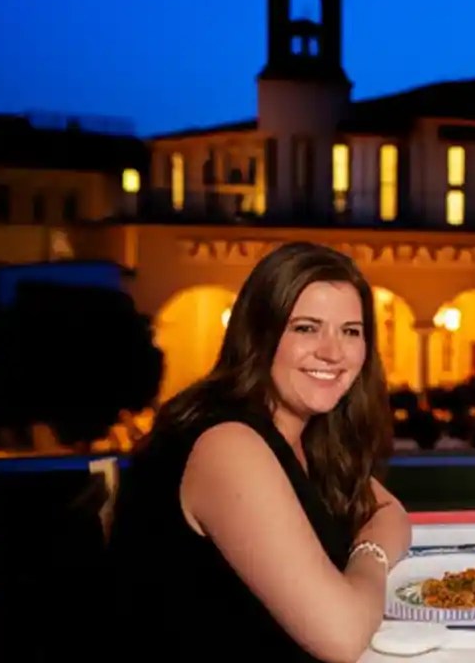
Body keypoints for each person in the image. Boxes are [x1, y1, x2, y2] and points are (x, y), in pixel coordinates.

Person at [108, 241, 411, 662]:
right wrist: (369, 561)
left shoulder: (306, 433)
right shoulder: (228, 445)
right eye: (306, 328)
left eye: (350, 331)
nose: (333, 352)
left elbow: (388, 513)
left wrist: (363, 560)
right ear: (259, 334)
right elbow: (341, 636)